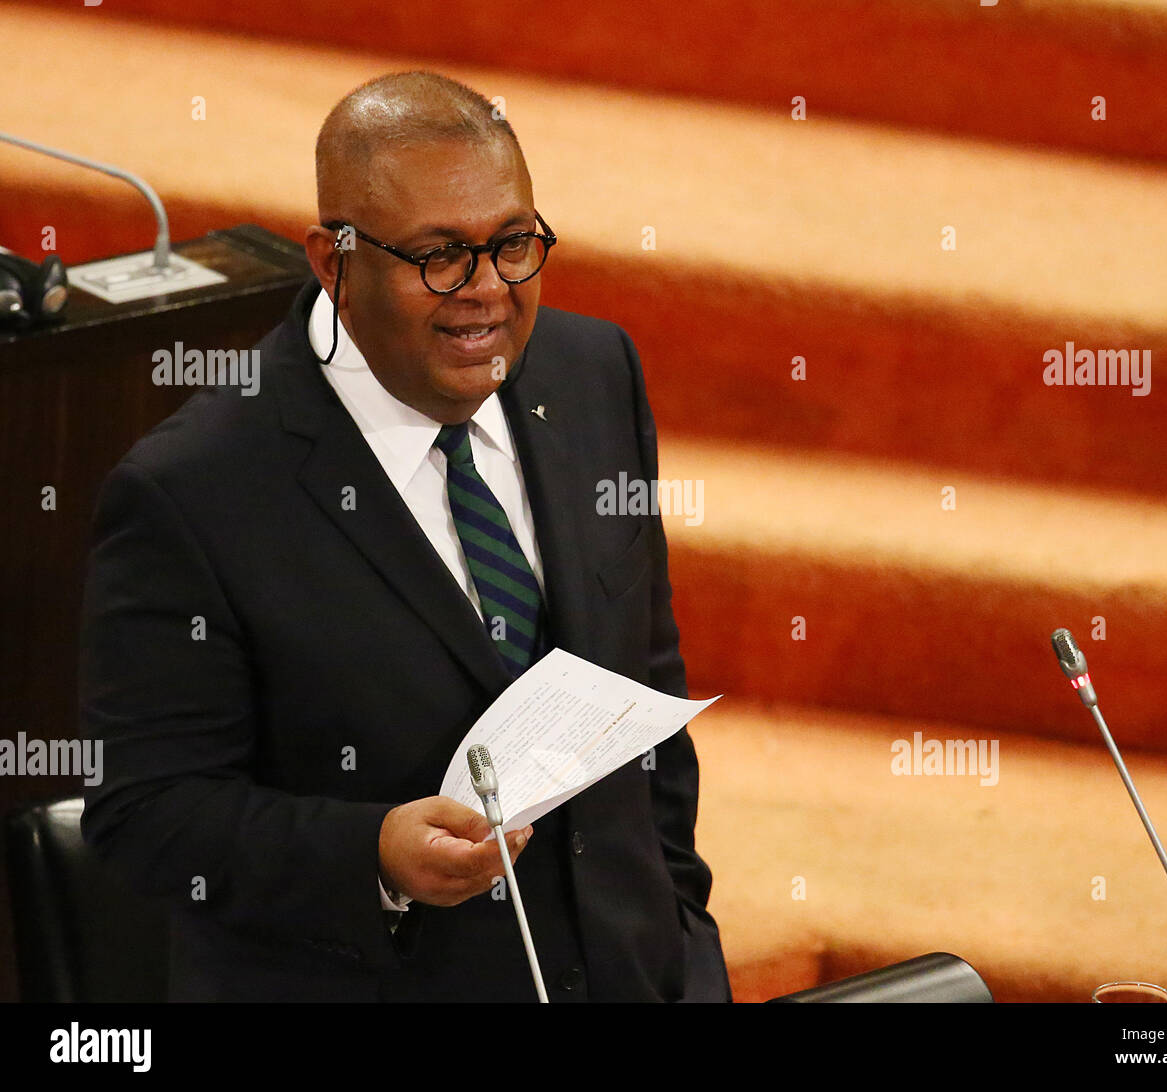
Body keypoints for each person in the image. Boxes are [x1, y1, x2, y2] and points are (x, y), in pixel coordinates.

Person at [78, 70, 730, 1002]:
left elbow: (644, 688)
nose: (487, 294)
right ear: (333, 261)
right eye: (439, 256)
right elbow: (147, 816)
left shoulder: (593, 374)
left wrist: (684, 940)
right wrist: (372, 857)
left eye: (513, 244)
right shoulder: (193, 491)